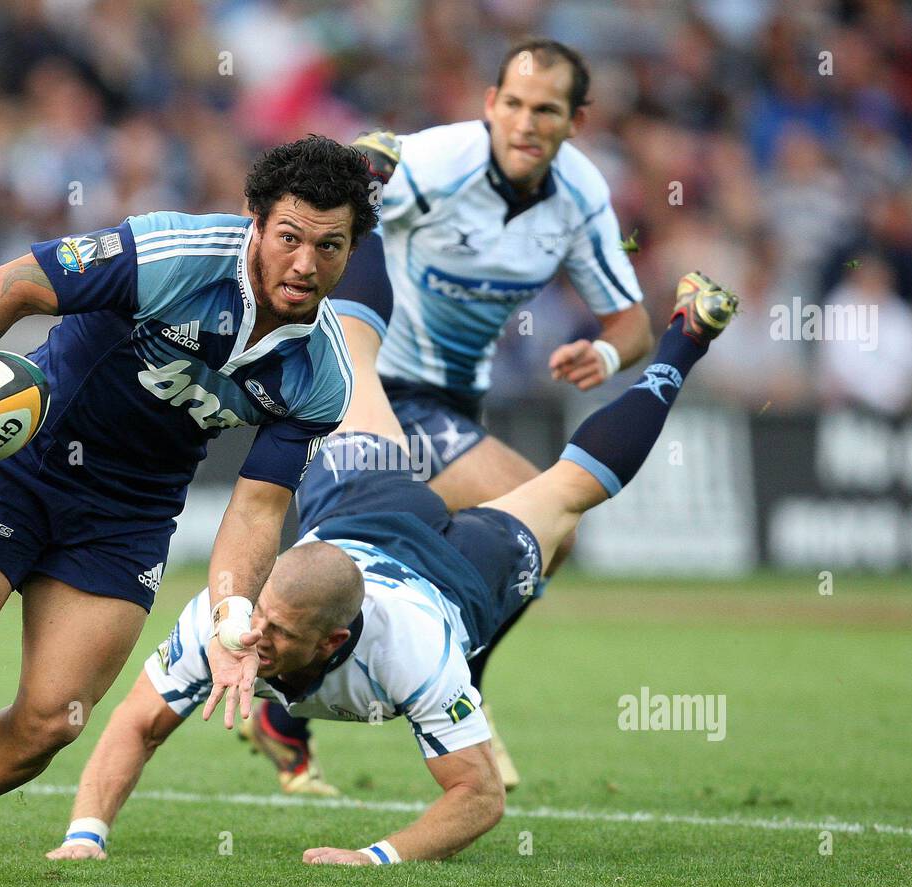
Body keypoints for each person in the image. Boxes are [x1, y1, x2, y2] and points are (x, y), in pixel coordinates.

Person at [0, 136, 378, 886]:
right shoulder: (173, 253)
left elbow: (258, 509)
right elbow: (15, 287)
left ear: (350, 249)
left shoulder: (323, 374)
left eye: (328, 247)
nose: (305, 263)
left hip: (129, 515)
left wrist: (234, 613)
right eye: (290, 237)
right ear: (254, 222)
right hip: (22, 463)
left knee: (53, 721)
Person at [46, 273, 736, 865]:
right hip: (358, 511)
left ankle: (686, 337)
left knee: (570, 491)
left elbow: (480, 797)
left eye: (277, 633)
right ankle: (369, 180)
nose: (254, 638)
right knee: (353, 352)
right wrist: (86, 832)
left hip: (460, 571)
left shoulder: (413, 654)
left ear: (332, 643)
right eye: (259, 618)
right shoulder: (231, 617)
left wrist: (378, 856)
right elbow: (135, 723)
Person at [245, 38, 653, 793]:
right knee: (546, 512)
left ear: (575, 121)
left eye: (548, 111)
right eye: (516, 104)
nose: (527, 123)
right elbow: (336, 215)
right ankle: (456, 692)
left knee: (531, 543)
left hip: (455, 398)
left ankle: (291, 709)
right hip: (379, 379)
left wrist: (606, 353)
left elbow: (634, 322)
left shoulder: (582, 196)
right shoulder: (436, 163)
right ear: (491, 103)